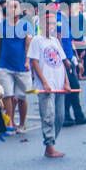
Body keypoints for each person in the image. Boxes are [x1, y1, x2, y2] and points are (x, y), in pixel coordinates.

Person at [29, 22, 70, 159]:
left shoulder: (55, 41)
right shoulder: (36, 40)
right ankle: (49, 145)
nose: (51, 26)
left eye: (53, 24)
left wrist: (66, 82)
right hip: (45, 86)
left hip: (59, 84)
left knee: (60, 117)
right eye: (48, 23)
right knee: (48, 116)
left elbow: (62, 62)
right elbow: (34, 62)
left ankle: (51, 142)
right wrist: (44, 82)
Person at [0, 1, 32, 132]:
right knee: (7, 95)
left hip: (21, 66)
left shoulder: (26, 25)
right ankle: (9, 122)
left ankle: (22, 123)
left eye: (16, 7)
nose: (13, 9)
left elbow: (28, 44)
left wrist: (27, 61)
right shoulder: (1, 26)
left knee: (21, 97)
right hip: (4, 66)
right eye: (10, 7)